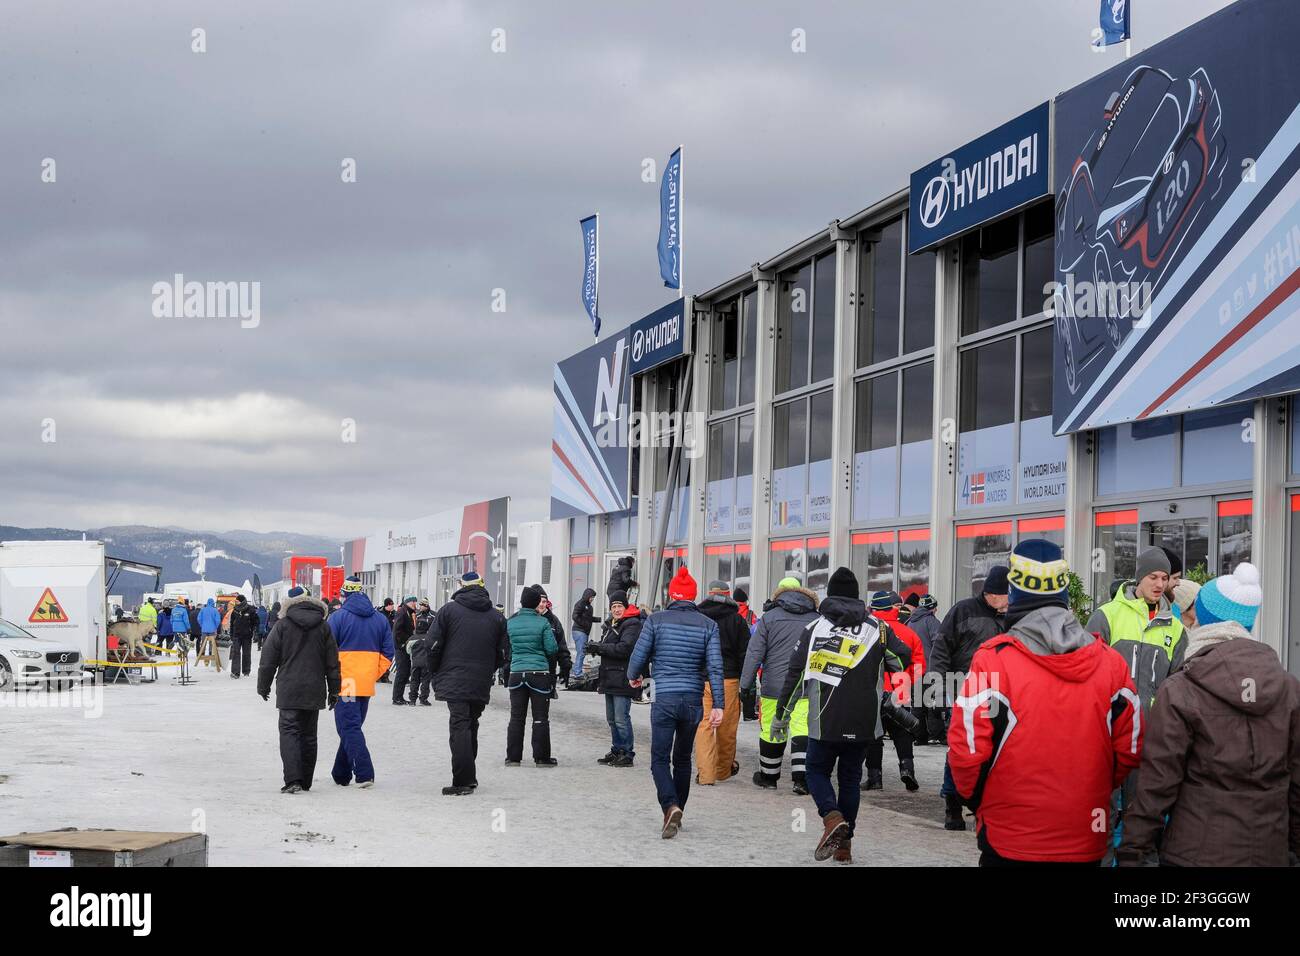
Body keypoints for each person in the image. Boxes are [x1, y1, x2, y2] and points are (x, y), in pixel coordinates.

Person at [949, 540, 1142, 867]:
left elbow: (966, 750)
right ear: (1063, 588)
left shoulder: (993, 661)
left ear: (1014, 591)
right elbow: (1130, 747)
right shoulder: (1112, 664)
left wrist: (980, 800)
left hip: (1009, 837)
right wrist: (1092, 786)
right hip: (1085, 834)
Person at [1119, 563, 1299, 866]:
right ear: (1248, 624)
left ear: (1201, 617)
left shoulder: (1181, 688)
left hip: (1194, 851)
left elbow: (1157, 782)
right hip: (1270, 849)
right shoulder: (1289, 688)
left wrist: (1132, 851)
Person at [772, 567, 910, 864]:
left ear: (829, 595)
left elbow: (794, 677)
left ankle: (832, 819)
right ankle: (845, 847)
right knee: (849, 779)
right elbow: (902, 658)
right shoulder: (879, 628)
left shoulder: (813, 630)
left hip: (825, 718)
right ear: (857, 595)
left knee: (815, 771)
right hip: (864, 720)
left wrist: (781, 715)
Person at [1086, 546, 1186, 861]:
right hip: (1107, 735)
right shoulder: (1106, 615)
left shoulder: (1177, 629)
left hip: (1149, 739)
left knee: (1141, 817)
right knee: (1101, 813)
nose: (1159, 583)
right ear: (1139, 578)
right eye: (1153, 576)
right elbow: (1086, 673)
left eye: (1164, 577)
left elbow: (1177, 687)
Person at [627, 566, 724, 839]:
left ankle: (669, 806)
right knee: (682, 758)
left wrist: (633, 677)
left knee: (659, 757)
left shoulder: (656, 620)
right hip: (693, 698)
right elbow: (715, 668)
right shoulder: (709, 625)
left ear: (672, 594)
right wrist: (719, 704)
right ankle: (678, 808)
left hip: (662, 695)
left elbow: (639, 655)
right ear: (693, 596)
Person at [930, 565, 1008, 830]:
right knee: (960, 750)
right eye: (1005, 595)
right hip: (962, 694)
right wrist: (938, 691)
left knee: (994, 752)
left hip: (999, 696)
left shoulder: (1011, 616)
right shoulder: (963, 611)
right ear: (992, 593)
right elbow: (940, 650)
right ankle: (952, 803)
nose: (1008, 601)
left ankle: (981, 805)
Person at [427, 571, 509, 796]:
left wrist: (435, 671)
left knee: (460, 725)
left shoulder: (448, 610)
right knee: (471, 723)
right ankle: (468, 775)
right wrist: (488, 670)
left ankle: (463, 780)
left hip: (454, 677)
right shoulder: (496, 616)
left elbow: (432, 645)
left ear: (462, 586)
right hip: (480, 679)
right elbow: (503, 652)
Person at [257, 586, 341, 794]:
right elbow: (332, 662)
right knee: (309, 735)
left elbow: (268, 660)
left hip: (288, 688)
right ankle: (306, 781)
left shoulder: (282, 625)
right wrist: (334, 690)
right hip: (314, 688)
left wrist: (263, 686)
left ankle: (293, 779)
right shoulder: (323, 627)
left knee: (289, 732)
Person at [740, 576, 818, 793]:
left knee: (772, 729)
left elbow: (754, 653)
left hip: (773, 685)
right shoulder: (816, 619)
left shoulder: (769, 618)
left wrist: (745, 685)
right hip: (805, 684)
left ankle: (769, 776)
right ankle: (802, 779)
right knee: (802, 727)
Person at [327, 578, 394, 788]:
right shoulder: (381, 619)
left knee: (348, 727)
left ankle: (364, 772)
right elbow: (389, 653)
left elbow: (327, 651)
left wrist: (332, 676)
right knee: (352, 726)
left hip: (346, 681)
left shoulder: (337, 617)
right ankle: (341, 773)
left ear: (344, 594)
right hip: (365, 681)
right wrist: (372, 673)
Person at [864, 590, 925, 791]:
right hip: (900, 692)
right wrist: (906, 681)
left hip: (874, 693)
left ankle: (875, 777)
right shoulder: (909, 633)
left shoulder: (867, 631)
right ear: (893, 609)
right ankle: (907, 770)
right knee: (903, 732)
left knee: (874, 736)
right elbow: (919, 665)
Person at [693, 581, 751, 784]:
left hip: (702, 679)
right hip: (728, 678)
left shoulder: (697, 618)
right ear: (728, 595)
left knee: (704, 726)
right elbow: (745, 652)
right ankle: (723, 770)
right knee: (726, 726)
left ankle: (706, 775)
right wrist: (747, 681)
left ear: (708, 594)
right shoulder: (737, 620)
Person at [585, 589, 643, 766]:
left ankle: (627, 752)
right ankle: (617, 749)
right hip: (610, 676)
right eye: (614, 606)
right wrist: (596, 647)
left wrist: (600, 648)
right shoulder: (611, 625)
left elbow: (625, 648)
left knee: (621, 718)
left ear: (626, 607)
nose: (616, 609)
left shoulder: (632, 624)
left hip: (623, 677)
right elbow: (609, 646)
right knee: (612, 719)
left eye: (619, 606)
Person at [503, 586, 559, 767]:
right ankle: (542, 758)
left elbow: (506, 647)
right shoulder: (543, 622)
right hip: (539, 673)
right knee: (540, 717)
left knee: (516, 717)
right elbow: (552, 649)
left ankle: (513, 757)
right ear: (536, 603)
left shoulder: (511, 622)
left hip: (516, 673)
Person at [906, 594, 944, 742]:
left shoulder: (910, 621)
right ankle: (937, 736)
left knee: (917, 704)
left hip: (914, 669)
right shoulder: (931, 621)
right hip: (930, 668)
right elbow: (939, 644)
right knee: (933, 702)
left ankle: (919, 736)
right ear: (932, 608)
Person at [530, 585, 572, 691]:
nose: (541, 604)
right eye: (539, 601)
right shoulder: (525, 619)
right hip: (528, 669)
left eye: (544, 602)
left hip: (548, 671)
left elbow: (561, 644)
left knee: (542, 706)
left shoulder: (553, 621)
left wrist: (565, 665)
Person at [407, 599, 435, 705]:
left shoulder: (412, 638)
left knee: (414, 680)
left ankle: (412, 700)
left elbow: (407, 650)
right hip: (426, 662)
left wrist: (413, 654)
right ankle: (423, 699)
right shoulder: (429, 638)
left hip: (415, 662)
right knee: (425, 681)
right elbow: (433, 649)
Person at [391, 596, 418, 705]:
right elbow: (396, 630)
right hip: (401, 648)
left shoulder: (409, 612)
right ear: (408, 602)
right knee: (402, 673)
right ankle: (396, 697)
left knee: (406, 672)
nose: (415, 603)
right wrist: (401, 644)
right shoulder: (402, 612)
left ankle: (399, 696)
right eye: (413, 602)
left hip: (406, 647)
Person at [228, 593, 259, 680]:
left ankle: (246, 671)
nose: (236, 602)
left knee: (246, 654)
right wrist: (231, 634)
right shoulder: (235, 610)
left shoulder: (250, 609)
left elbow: (256, 621)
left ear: (241, 601)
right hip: (236, 635)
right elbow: (232, 623)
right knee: (236, 653)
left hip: (247, 636)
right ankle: (235, 672)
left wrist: (253, 630)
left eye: (237, 601)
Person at [570, 587, 596, 681]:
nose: (592, 599)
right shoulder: (580, 604)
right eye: (591, 597)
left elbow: (587, 618)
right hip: (579, 631)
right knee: (581, 652)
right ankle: (577, 673)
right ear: (587, 596)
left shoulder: (589, 607)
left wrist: (597, 619)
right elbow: (575, 616)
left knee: (581, 652)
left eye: (593, 597)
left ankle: (575, 671)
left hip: (583, 632)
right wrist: (584, 624)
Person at [197, 598, 223, 669]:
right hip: (212, 630)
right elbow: (218, 620)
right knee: (212, 643)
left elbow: (199, 619)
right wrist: (215, 627)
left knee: (203, 643)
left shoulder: (203, 609)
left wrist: (202, 625)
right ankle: (210, 655)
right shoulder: (215, 610)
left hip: (204, 629)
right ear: (213, 603)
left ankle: (203, 656)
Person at [377, 599, 396, 683]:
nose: (393, 606)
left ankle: (385, 676)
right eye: (391, 605)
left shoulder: (394, 614)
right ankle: (378, 676)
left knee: (387, 657)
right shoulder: (380, 613)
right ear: (387, 605)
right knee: (378, 657)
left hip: (389, 638)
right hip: (379, 637)